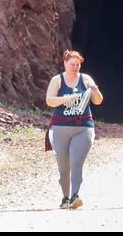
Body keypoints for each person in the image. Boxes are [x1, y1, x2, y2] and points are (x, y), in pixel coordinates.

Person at [44, 50, 103, 209]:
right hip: (60, 127)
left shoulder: (85, 79)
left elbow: (97, 101)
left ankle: (75, 195)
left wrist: (95, 90)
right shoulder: (57, 80)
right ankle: (65, 197)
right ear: (65, 63)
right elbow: (49, 101)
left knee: (76, 162)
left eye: (78, 65)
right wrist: (66, 99)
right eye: (72, 64)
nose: (75, 67)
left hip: (83, 127)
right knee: (64, 166)